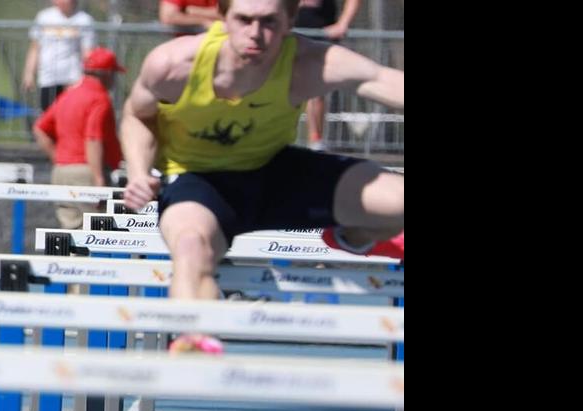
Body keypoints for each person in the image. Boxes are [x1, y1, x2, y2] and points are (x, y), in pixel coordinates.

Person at [119, 0, 402, 353]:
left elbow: (385, 81)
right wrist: (138, 171)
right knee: (191, 246)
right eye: (244, 19)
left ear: (290, 21)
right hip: (200, 180)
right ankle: (194, 338)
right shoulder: (174, 64)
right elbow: (136, 115)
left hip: (276, 171)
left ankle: (350, 236)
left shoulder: (310, 62)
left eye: (269, 22)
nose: (256, 34)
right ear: (223, 18)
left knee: (397, 200)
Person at [32, 46, 123, 229]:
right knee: (96, 233)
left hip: (61, 172)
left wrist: (58, 157)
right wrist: (98, 179)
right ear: (106, 74)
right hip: (87, 172)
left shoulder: (68, 94)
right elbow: (93, 139)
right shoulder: (99, 98)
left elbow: (40, 129)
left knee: (70, 232)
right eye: (113, 73)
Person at [294, 0, 360, 151]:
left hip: (319, 35)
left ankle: (315, 141)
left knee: (314, 92)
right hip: (289, 33)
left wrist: (343, 23)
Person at [22, 0, 94, 112]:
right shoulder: (44, 17)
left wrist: (88, 79)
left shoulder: (84, 20)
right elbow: (34, 48)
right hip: (48, 78)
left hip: (73, 80)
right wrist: (29, 73)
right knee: (48, 119)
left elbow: (88, 53)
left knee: (70, 118)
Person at [158, 0, 222, 29]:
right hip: (185, 45)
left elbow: (227, 13)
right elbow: (168, 17)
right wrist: (202, 21)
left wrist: (194, 11)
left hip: (221, 42)